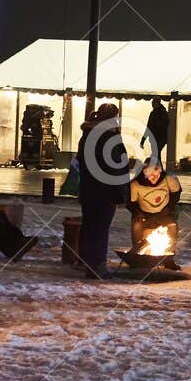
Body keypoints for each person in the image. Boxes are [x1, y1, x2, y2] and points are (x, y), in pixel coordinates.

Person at [76, 104, 128, 279]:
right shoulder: (110, 137)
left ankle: (86, 262)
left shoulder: (87, 135)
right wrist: (120, 193)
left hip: (88, 188)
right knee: (100, 228)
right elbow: (117, 167)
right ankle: (98, 265)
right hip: (106, 191)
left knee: (89, 225)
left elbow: (80, 160)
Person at [128, 160, 182, 267]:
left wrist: (169, 208)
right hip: (145, 215)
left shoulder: (169, 179)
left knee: (172, 225)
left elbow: (176, 194)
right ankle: (137, 258)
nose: (155, 178)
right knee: (137, 225)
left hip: (163, 214)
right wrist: (137, 213)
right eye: (151, 175)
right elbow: (131, 203)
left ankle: (168, 259)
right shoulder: (135, 184)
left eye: (157, 174)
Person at [146, 97, 171, 165]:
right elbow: (149, 126)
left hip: (158, 138)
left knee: (156, 155)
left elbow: (149, 126)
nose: (152, 104)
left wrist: (144, 139)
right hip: (158, 138)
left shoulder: (160, 113)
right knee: (156, 155)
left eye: (153, 103)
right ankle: (158, 169)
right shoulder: (161, 113)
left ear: (157, 103)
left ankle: (157, 169)